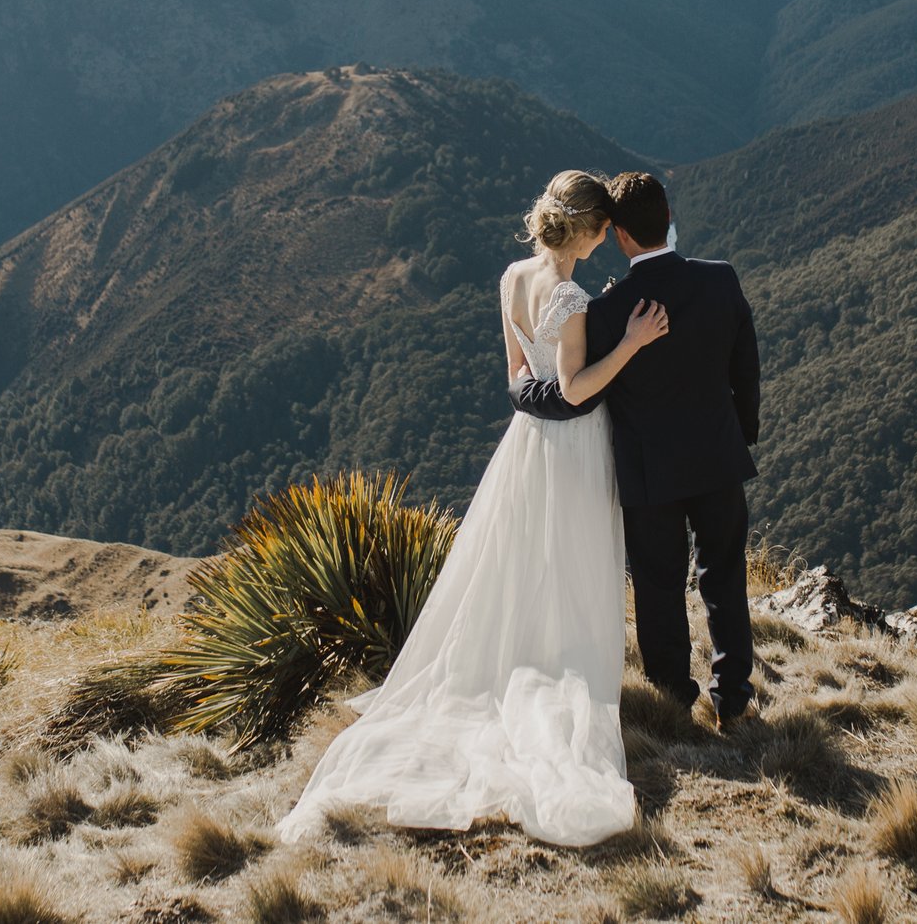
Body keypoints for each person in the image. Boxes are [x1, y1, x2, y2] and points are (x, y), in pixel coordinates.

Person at [277, 170, 668, 846]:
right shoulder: (571, 296)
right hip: (572, 446)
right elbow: (575, 390)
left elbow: (519, 376)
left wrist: (539, 396)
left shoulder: (512, 277)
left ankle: (525, 660)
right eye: (604, 226)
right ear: (589, 230)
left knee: (518, 561)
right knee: (569, 562)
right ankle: (560, 668)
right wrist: (631, 344)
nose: (610, 234)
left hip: (525, 443)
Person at [511, 170, 761, 726]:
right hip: (718, 458)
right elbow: (746, 367)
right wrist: (741, 432)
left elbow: (580, 392)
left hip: (649, 473)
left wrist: (521, 391)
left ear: (620, 235)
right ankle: (734, 697)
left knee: (658, 584)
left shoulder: (604, 311)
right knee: (725, 577)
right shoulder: (721, 280)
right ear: (668, 219)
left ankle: (673, 695)